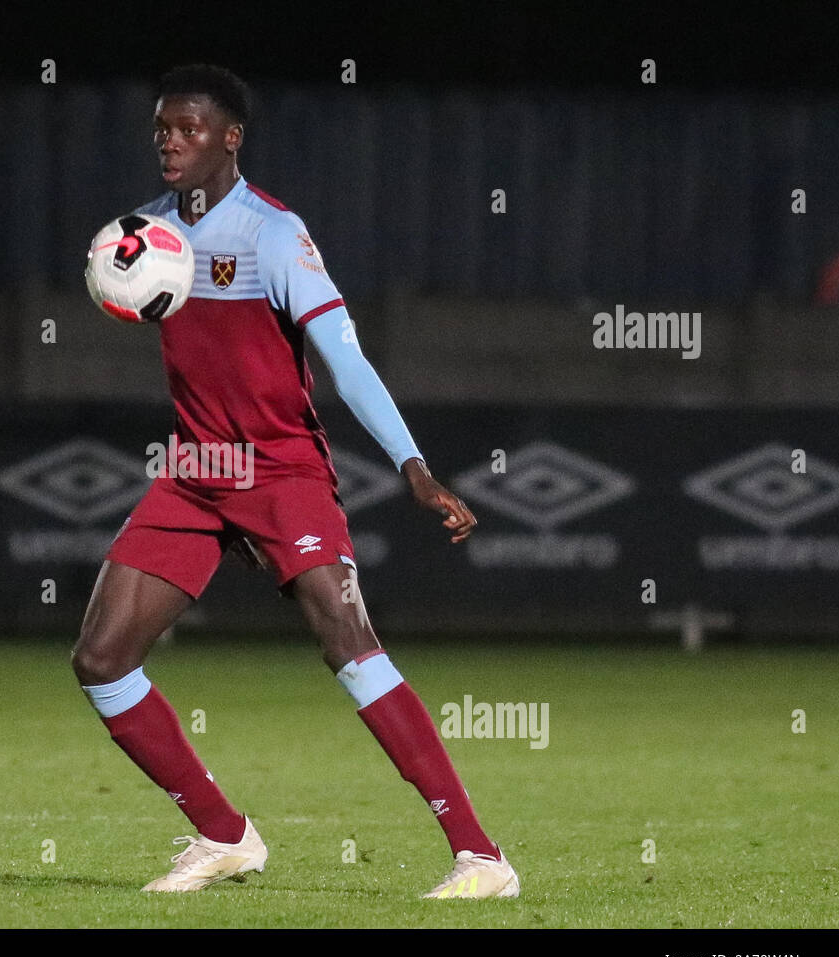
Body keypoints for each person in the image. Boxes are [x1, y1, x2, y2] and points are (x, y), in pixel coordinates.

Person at [73, 64, 518, 899]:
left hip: (281, 472)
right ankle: (223, 835)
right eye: (162, 127)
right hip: (199, 471)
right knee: (101, 658)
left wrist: (413, 469)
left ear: (230, 138)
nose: (170, 140)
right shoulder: (145, 238)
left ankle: (481, 856)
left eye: (190, 128)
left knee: (348, 645)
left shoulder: (274, 234)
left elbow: (343, 361)